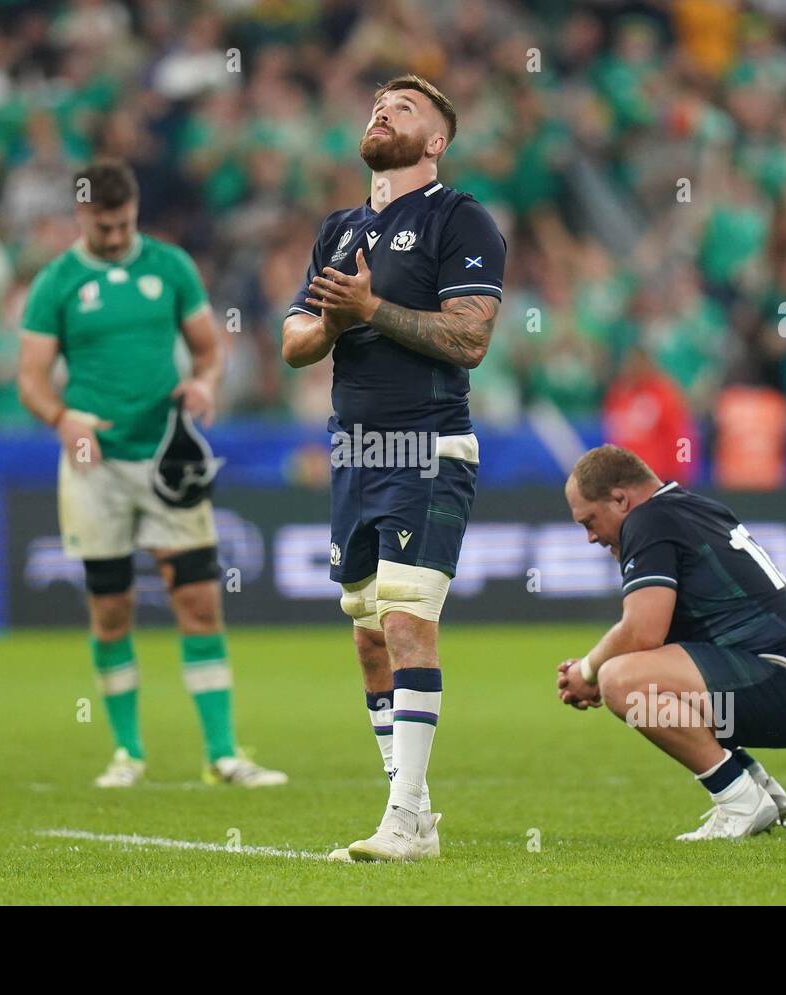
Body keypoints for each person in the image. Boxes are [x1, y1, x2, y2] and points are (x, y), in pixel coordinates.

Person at [282, 74, 507, 861]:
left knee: (410, 622)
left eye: (405, 106)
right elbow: (293, 342)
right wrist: (336, 318)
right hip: (355, 452)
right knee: (370, 635)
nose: (383, 110)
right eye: (378, 102)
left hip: (427, 445)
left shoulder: (460, 217)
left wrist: (370, 311)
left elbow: (470, 338)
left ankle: (405, 817)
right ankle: (410, 805)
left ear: (437, 140)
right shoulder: (339, 231)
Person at [17, 158, 286, 789]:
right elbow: (30, 380)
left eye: (124, 225)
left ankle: (222, 754)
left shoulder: (169, 266)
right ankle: (127, 754)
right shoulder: (55, 282)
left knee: (197, 602)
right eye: (104, 227)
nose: (115, 237)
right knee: (110, 611)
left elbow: (208, 349)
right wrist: (63, 420)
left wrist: (205, 383)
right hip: (95, 467)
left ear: (135, 212)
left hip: (169, 460)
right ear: (81, 215)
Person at [557, 444, 786, 840]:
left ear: (620, 499)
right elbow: (661, 640)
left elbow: (642, 630)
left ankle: (739, 801)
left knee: (621, 681)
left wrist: (588, 670)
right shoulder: (685, 507)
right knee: (637, 675)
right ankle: (755, 787)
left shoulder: (648, 519)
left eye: (589, 521)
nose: (589, 537)